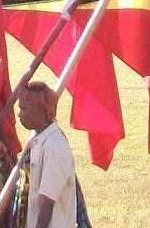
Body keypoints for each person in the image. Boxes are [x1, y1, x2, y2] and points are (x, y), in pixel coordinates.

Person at [8, 81, 88, 228]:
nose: (19, 114)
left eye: (24, 108)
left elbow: (47, 202)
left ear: (41, 110)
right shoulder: (38, 141)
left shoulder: (54, 147)